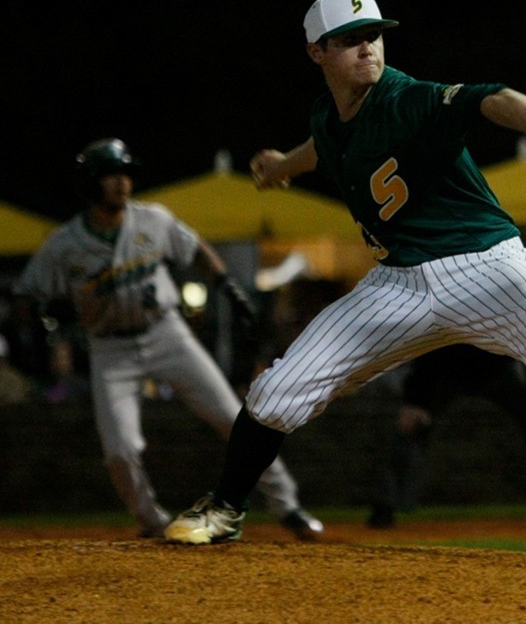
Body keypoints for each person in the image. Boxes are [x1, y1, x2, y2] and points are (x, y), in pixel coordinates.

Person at [164, 0, 526, 544]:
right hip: (395, 285)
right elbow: (325, 144)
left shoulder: (408, 98)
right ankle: (226, 509)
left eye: (373, 36)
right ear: (317, 52)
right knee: (276, 390)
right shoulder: (329, 117)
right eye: (350, 40)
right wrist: (284, 165)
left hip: (484, 263)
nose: (368, 49)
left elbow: (489, 97)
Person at [12, 138, 324, 540]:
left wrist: (227, 285)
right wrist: (43, 312)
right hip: (111, 348)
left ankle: (288, 506)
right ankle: (151, 521)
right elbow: (25, 296)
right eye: (111, 174)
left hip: (167, 332)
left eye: (125, 173)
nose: (123, 182)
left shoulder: (152, 219)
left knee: (236, 419)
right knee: (120, 450)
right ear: (90, 183)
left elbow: (195, 248)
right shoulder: (64, 244)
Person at [368, 344, 526, 528]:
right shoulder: (446, 293)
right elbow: (427, 344)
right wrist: (415, 401)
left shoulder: (508, 292)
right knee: (411, 425)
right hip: (447, 369)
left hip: (500, 368)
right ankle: (385, 506)